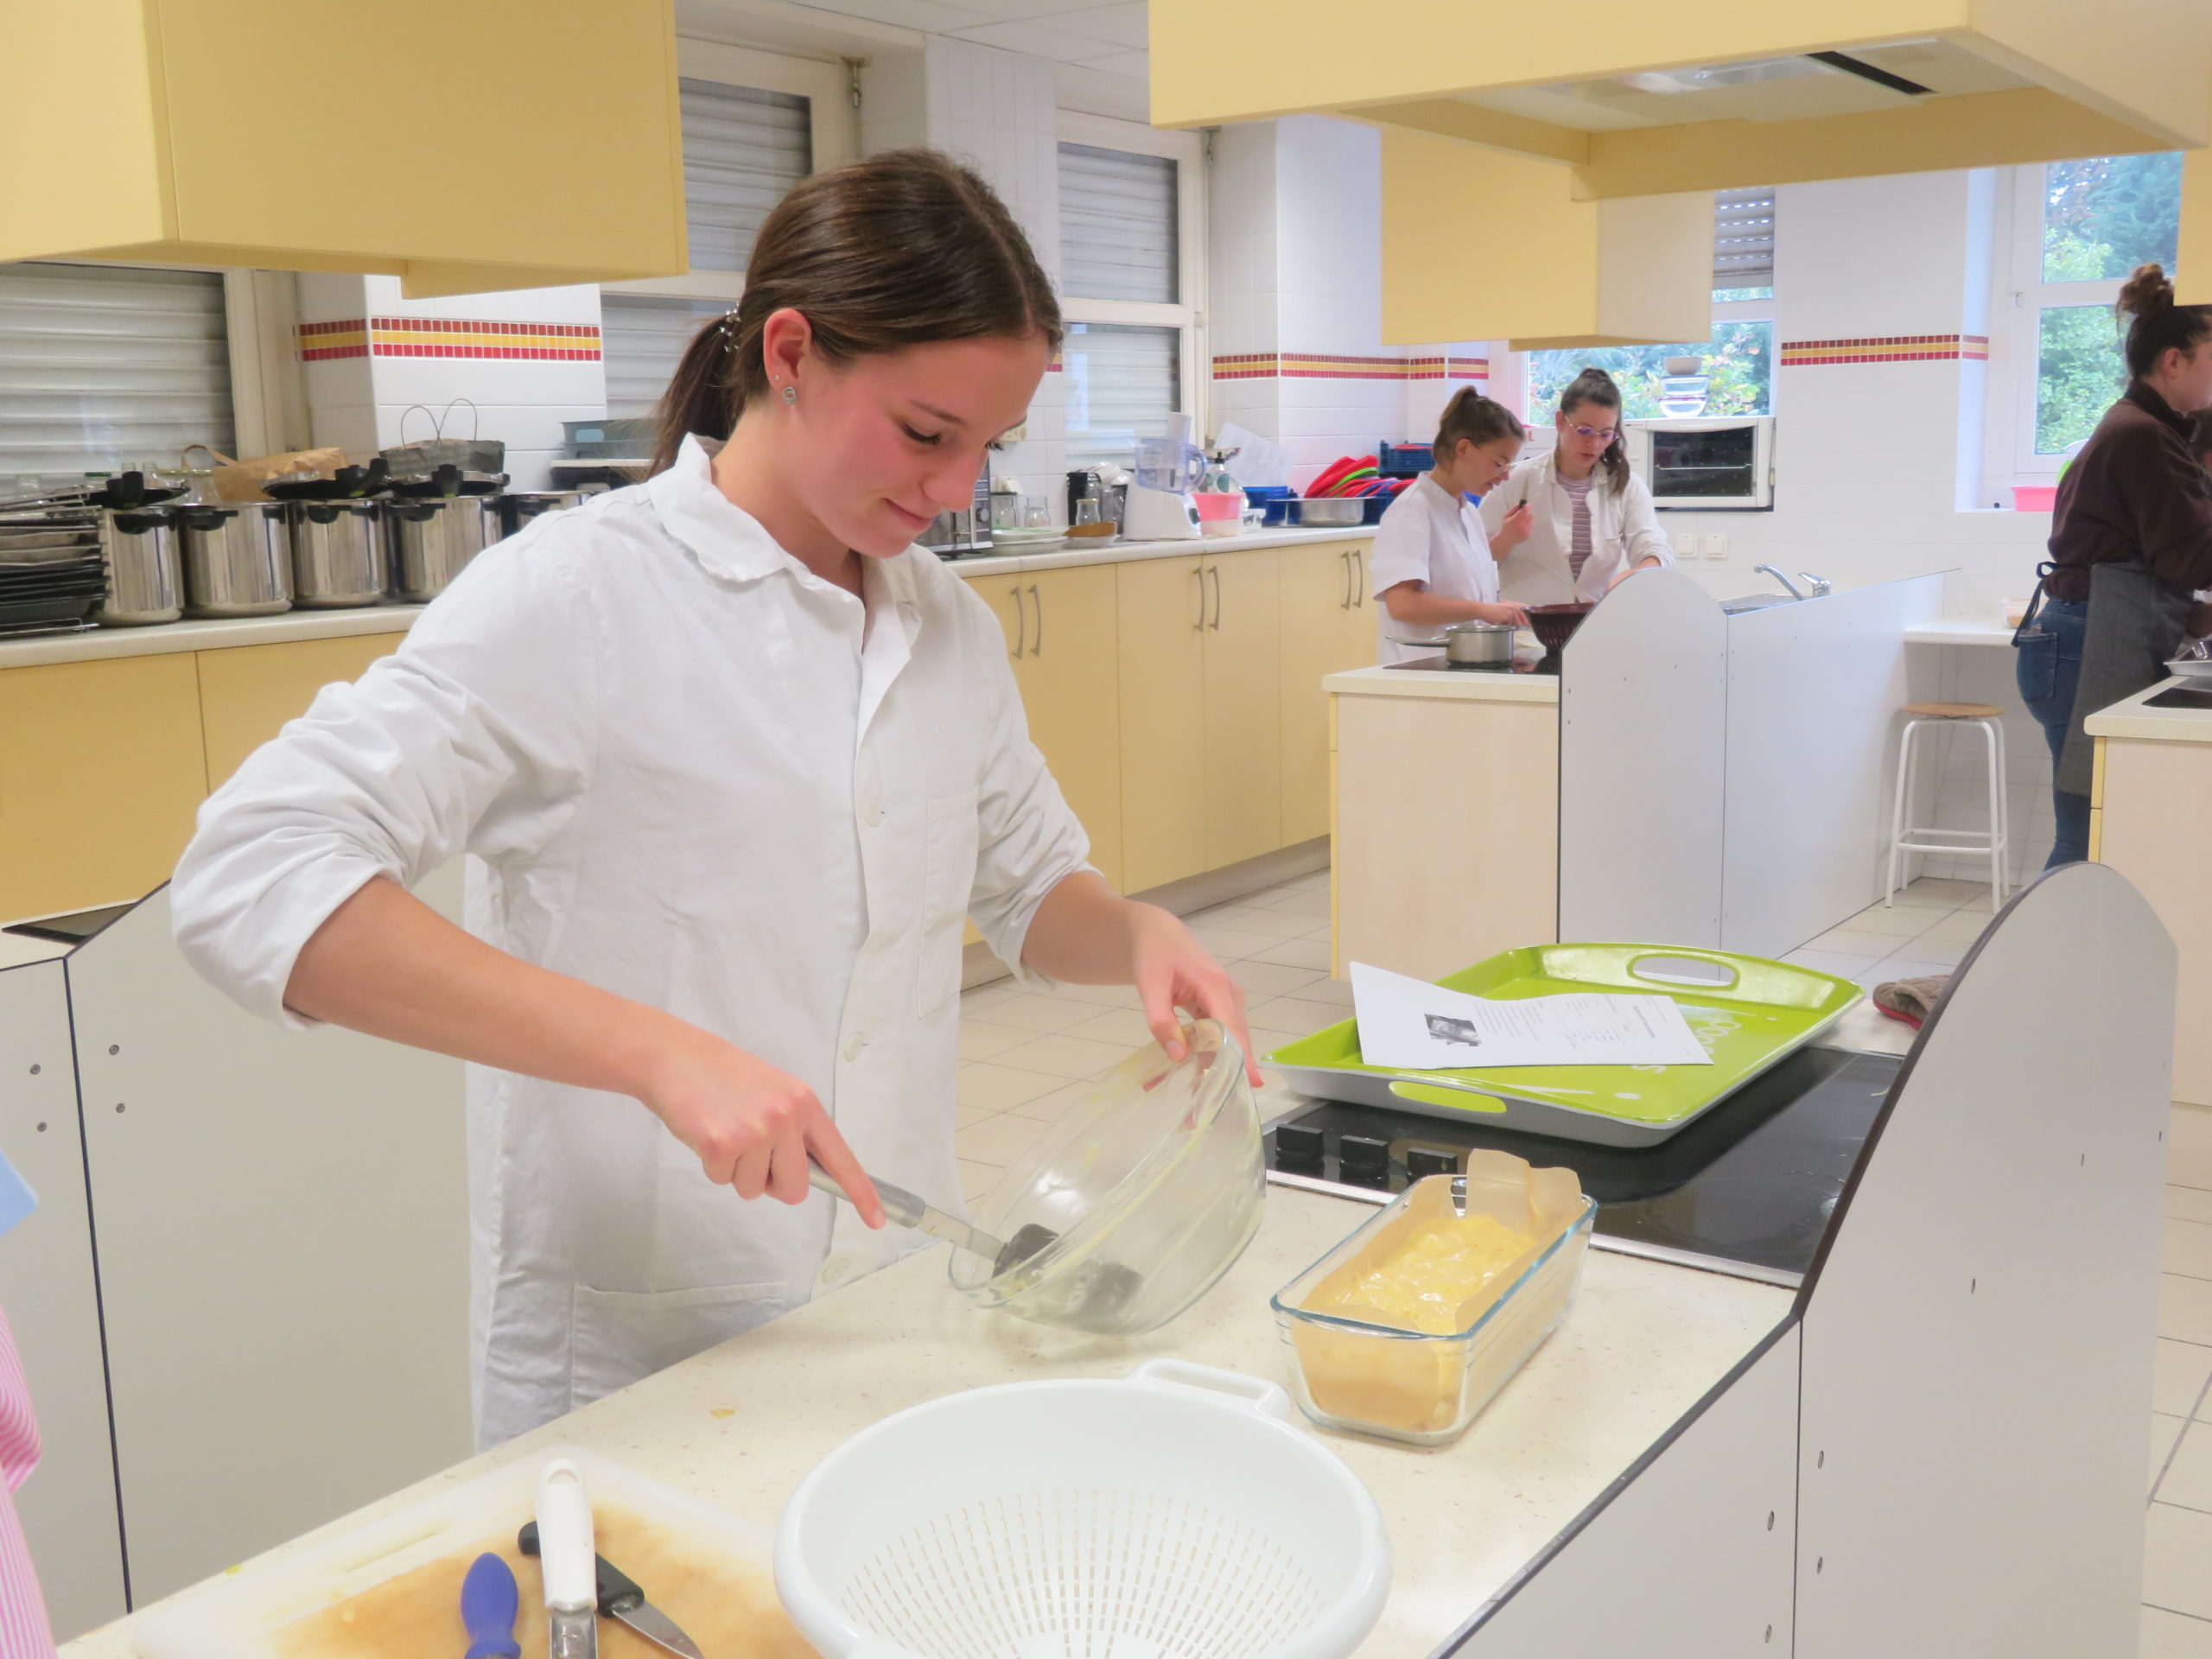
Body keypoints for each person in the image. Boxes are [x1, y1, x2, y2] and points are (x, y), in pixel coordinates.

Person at [168, 149, 1255, 1448]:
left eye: (988, 445)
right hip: (646, 1345)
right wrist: (657, 1053)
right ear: (791, 353)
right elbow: (253, 871)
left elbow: (1028, 888)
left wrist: (1135, 933)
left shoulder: (942, 625)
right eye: (926, 433)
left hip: (894, 1294)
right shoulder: (582, 596)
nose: (958, 489)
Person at [2015, 263, 2212, 868]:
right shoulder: (2144, 435)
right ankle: (2036, 961)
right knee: (2086, 834)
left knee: (2095, 829)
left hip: (2073, 637)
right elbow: (2190, 557)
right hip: (2086, 643)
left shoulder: (2145, 427)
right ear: (2174, 361)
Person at [1478, 367, 1672, 604]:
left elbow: (1656, 551)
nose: (1594, 444)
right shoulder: (1517, 481)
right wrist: (1507, 539)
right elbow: (1474, 564)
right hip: (1526, 629)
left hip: (1594, 625)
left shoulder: (1625, 485)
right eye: (1584, 431)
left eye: (1606, 434)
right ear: (1560, 421)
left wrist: (1633, 575)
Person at [1370, 388, 1532, 665]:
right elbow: (1402, 604)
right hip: (1418, 670)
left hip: (1460, 665)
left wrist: (1497, 609)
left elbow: (1463, 591)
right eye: (1499, 462)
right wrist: (1482, 610)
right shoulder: (1412, 510)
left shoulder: (1468, 513)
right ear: (1463, 448)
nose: (1505, 476)